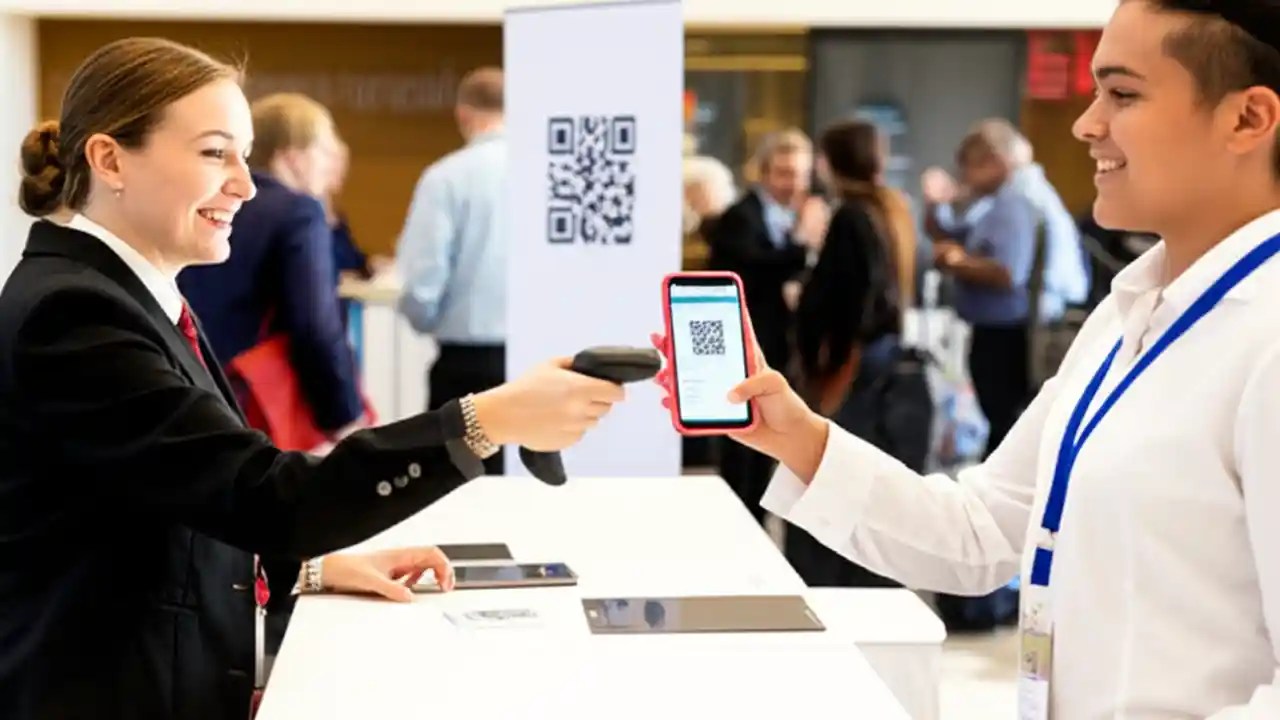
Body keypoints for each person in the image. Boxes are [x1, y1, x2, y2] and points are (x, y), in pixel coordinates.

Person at [655, 1, 1280, 716]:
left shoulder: (1266, 339)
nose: (1087, 123)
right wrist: (793, 434)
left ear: (1248, 118)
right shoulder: (1128, 313)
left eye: (1124, 93)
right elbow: (981, 530)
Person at [0, 37, 625, 720]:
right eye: (215, 153)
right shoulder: (75, 312)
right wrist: (486, 422)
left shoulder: (128, 292)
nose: (243, 182)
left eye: (243, 153)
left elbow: (176, 499)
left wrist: (309, 568)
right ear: (110, 158)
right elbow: (263, 495)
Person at [180, 92, 367, 448]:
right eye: (325, 152)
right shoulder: (298, 211)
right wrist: (344, 417)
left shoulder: (211, 201)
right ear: (293, 157)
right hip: (256, 405)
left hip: (193, 392)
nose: (332, 167)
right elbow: (315, 327)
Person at [788, 120, 928, 588]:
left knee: (832, 476)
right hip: (884, 361)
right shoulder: (893, 210)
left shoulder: (851, 216)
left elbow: (839, 299)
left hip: (852, 365)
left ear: (828, 162)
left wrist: (816, 355)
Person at [704, 128, 824, 522]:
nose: (794, 184)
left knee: (767, 458)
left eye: (801, 174)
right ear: (764, 173)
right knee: (743, 457)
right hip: (741, 353)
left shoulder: (787, 218)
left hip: (777, 352)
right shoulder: (740, 218)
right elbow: (754, 271)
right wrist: (803, 245)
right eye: (785, 173)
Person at [396, 67, 509, 474]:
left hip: (467, 369)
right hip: (540, 367)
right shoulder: (551, 174)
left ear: (463, 113)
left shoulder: (446, 177)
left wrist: (422, 318)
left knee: (458, 491)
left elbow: (424, 278)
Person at [929, 130, 1040, 458]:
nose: (964, 178)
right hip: (998, 328)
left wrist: (957, 261)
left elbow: (1008, 273)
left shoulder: (1014, 203)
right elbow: (951, 232)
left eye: (969, 168)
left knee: (1004, 421)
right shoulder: (997, 202)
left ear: (995, 162)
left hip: (1006, 332)